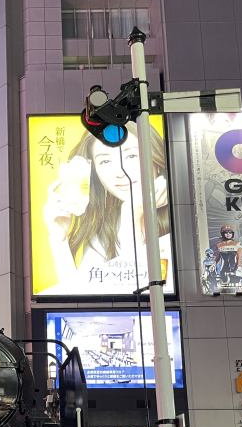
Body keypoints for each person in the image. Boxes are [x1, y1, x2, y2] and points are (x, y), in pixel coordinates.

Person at [40, 121, 171, 296]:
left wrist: (131, 216)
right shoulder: (104, 233)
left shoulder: (184, 216)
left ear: (156, 159)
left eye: (131, 156)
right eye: (105, 161)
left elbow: (146, 298)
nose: (120, 172)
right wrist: (59, 242)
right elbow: (81, 303)